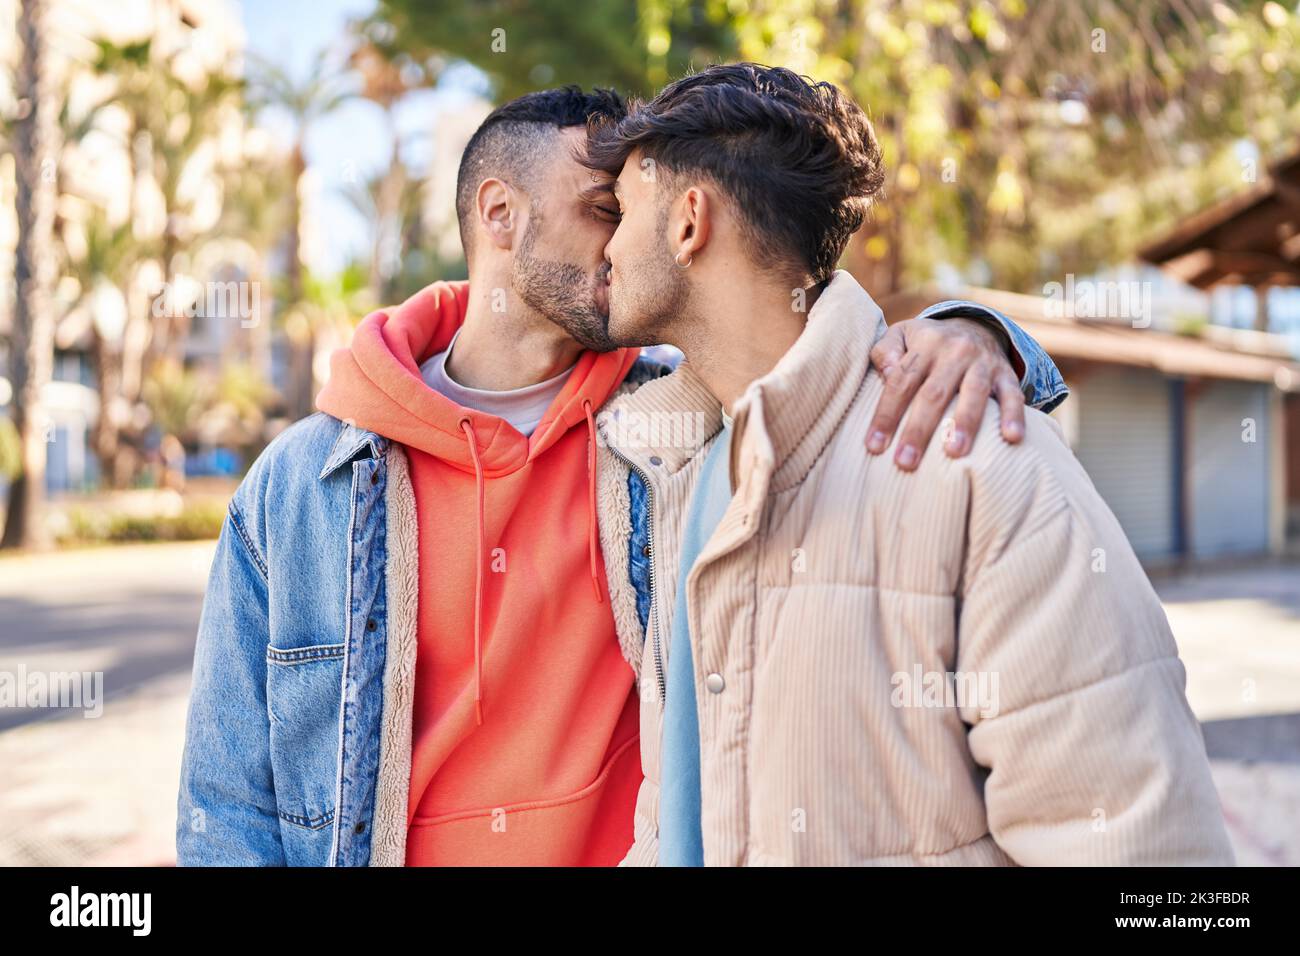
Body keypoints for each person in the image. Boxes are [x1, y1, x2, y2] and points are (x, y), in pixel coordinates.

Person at [175, 85, 1064, 866]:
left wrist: (978, 332)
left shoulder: (683, 418)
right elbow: (226, 811)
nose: (628, 242)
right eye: (606, 207)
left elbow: (824, 365)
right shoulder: (302, 487)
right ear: (500, 214)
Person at [584, 63, 1235, 866]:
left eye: (619, 211)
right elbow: (683, 813)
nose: (604, 247)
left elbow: (1145, 850)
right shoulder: (679, 473)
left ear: (689, 223)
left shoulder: (980, 462)